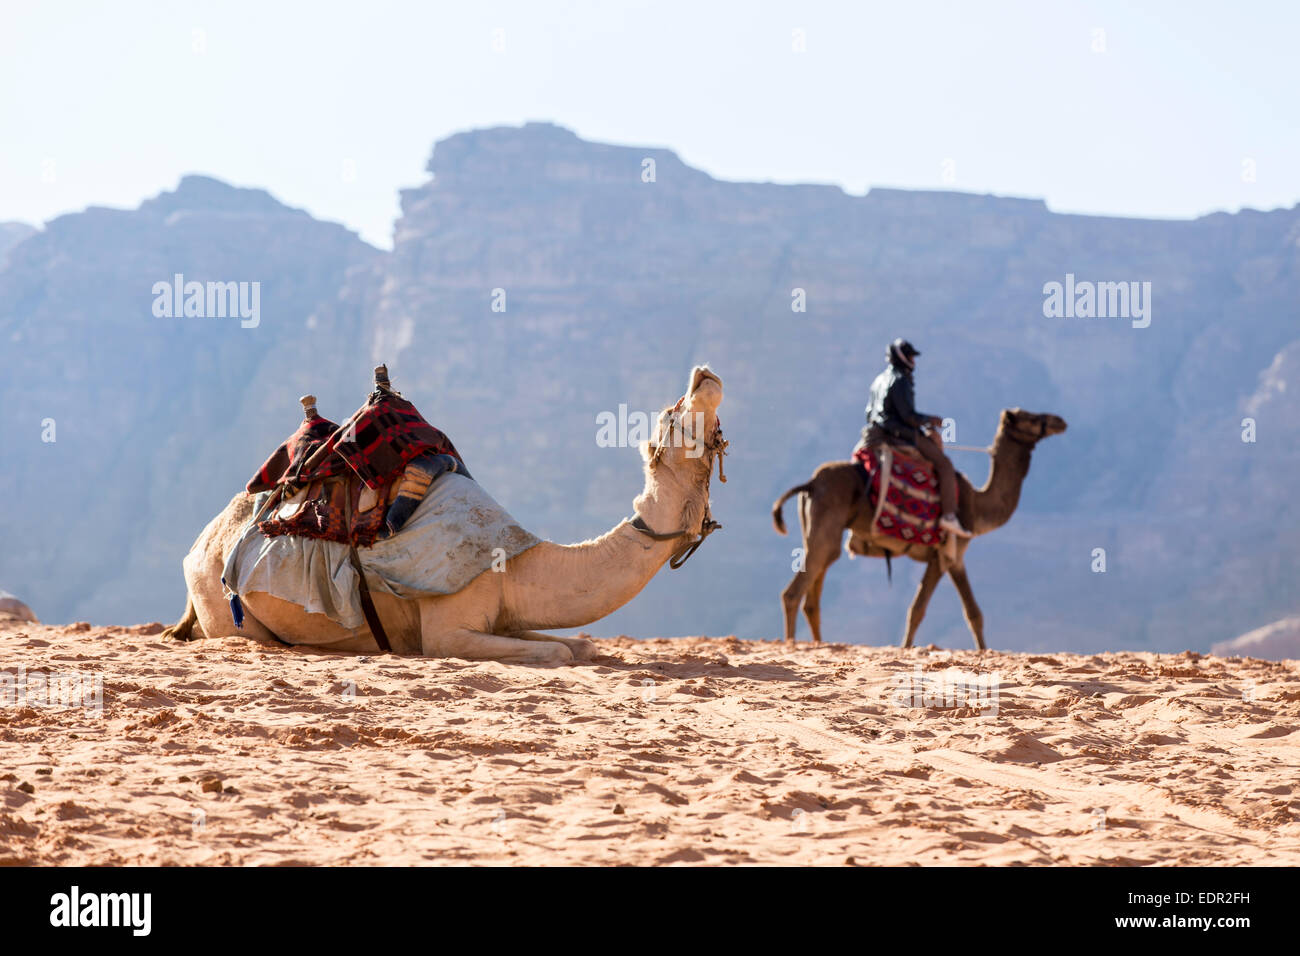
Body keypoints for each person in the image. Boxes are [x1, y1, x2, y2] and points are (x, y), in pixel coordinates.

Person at [855, 338, 971, 538]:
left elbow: (869, 413)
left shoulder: (878, 380)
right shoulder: (901, 380)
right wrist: (930, 420)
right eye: (910, 356)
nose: (914, 361)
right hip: (897, 435)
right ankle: (949, 516)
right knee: (944, 464)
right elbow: (907, 416)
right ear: (902, 357)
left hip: (873, 433)